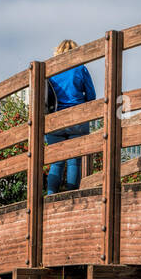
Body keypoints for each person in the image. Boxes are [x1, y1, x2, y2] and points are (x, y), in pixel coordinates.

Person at [45, 39, 97, 193]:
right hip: (77, 119)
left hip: (54, 120)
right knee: (74, 161)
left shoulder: (50, 71)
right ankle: (71, 195)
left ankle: (50, 195)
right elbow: (92, 96)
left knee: (56, 162)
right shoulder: (80, 69)